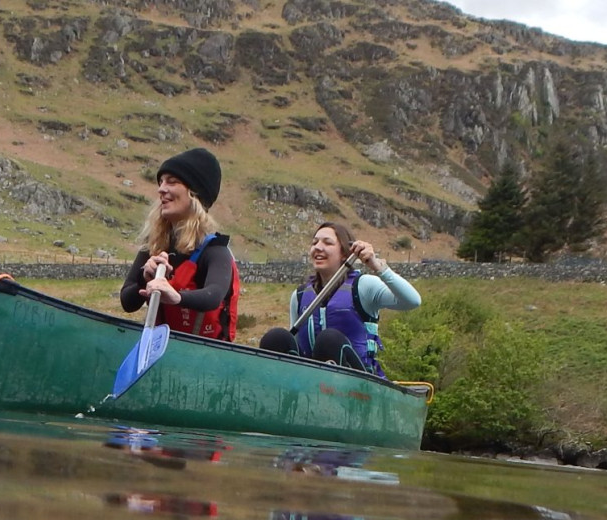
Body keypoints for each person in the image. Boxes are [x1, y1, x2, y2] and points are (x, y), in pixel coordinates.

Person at [258, 221, 421, 375]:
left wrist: (377, 266)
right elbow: (294, 342)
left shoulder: (363, 286)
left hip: (358, 385)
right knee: (276, 338)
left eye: (327, 243)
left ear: (345, 253)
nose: (318, 248)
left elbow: (412, 301)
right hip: (309, 381)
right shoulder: (299, 296)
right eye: (314, 243)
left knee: (329, 340)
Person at [119, 147, 240, 341]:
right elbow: (127, 302)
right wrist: (145, 278)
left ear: (194, 194)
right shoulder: (154, 246)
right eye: (160, 182)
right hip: (160, 351)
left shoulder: (215, 250)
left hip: (207, 356)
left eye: (172, 182)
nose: (161, 189)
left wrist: (176, 296)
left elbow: (214, 294)